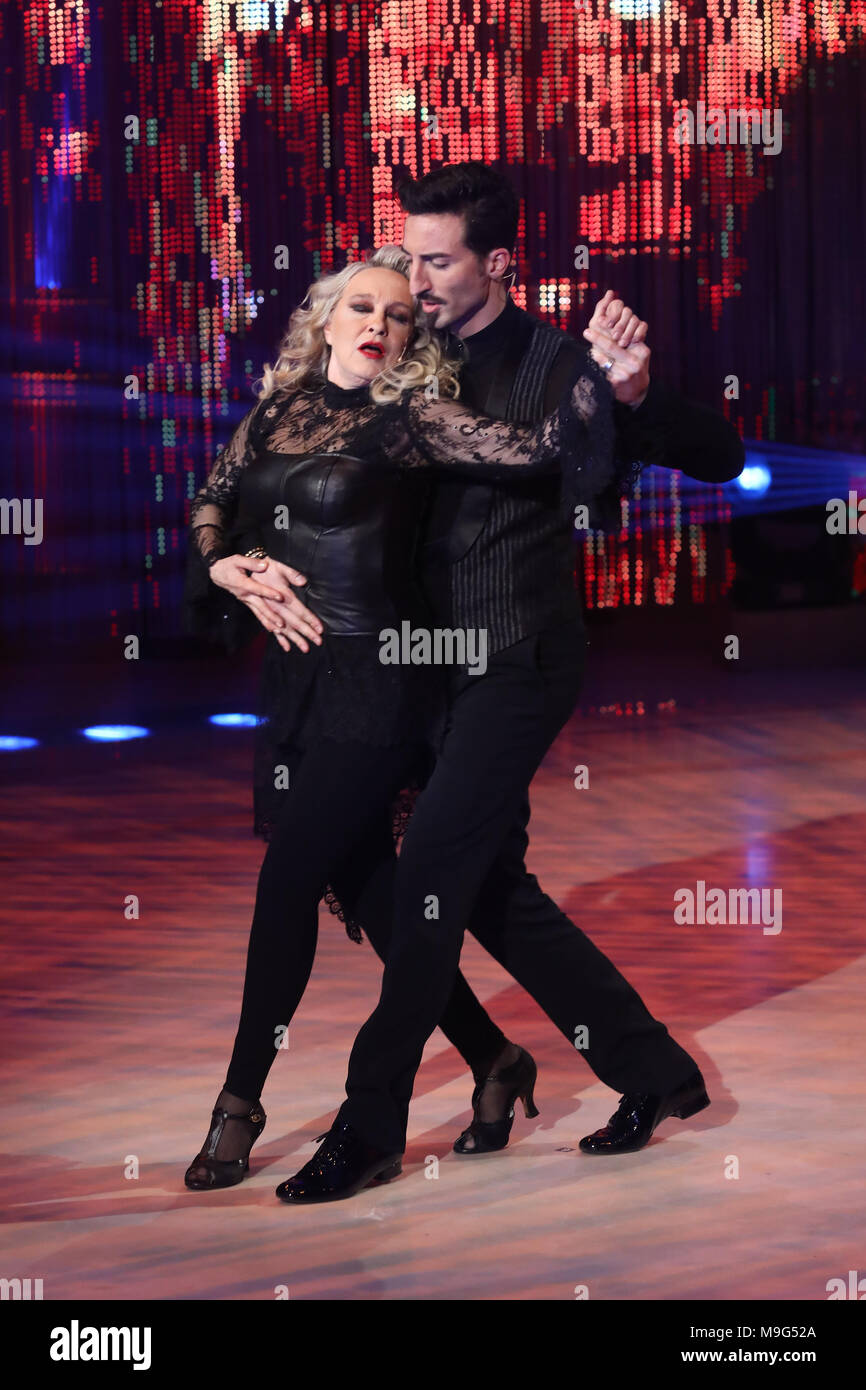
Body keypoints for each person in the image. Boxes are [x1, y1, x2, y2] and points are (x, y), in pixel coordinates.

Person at [274, 162, 745, 1204]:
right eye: (410, 254)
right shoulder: (407, 345)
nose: (418, 276)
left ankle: (369, 1126)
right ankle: (656, 1074)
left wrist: (629, 395)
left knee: (435, 871)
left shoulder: (560, 362)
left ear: (497, 261)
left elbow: (717, 454)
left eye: (437, 259)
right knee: (485, 888)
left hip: (519, 655)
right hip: (423, 664)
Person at [182, 244, 618, 1190]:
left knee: (290, 879)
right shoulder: (278, 409)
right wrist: (225, 566)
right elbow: (214, 500)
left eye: (399, 315)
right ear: (324, 320)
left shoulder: (411, 420)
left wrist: (596, 375)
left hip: (382, 683)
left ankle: (238, 1101)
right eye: (363, 309)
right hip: (295, 685)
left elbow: (539, 452)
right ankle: (496, 1059)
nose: (381, 325)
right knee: (379, 897)